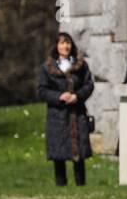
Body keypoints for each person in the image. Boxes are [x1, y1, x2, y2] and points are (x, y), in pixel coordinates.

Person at [38, 32, 94, 186]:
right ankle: (61, 185)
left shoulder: (80, 65)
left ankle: (81, 184)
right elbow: (42, 90)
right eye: (62, 43)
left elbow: (88, 85)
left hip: (77, 113)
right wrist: (59, 96)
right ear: (56, 46)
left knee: (79, 153)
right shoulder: (47, 68)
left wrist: (77, 96)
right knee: (59, 153)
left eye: (68, 43)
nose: (65, 46)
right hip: (57, 115)